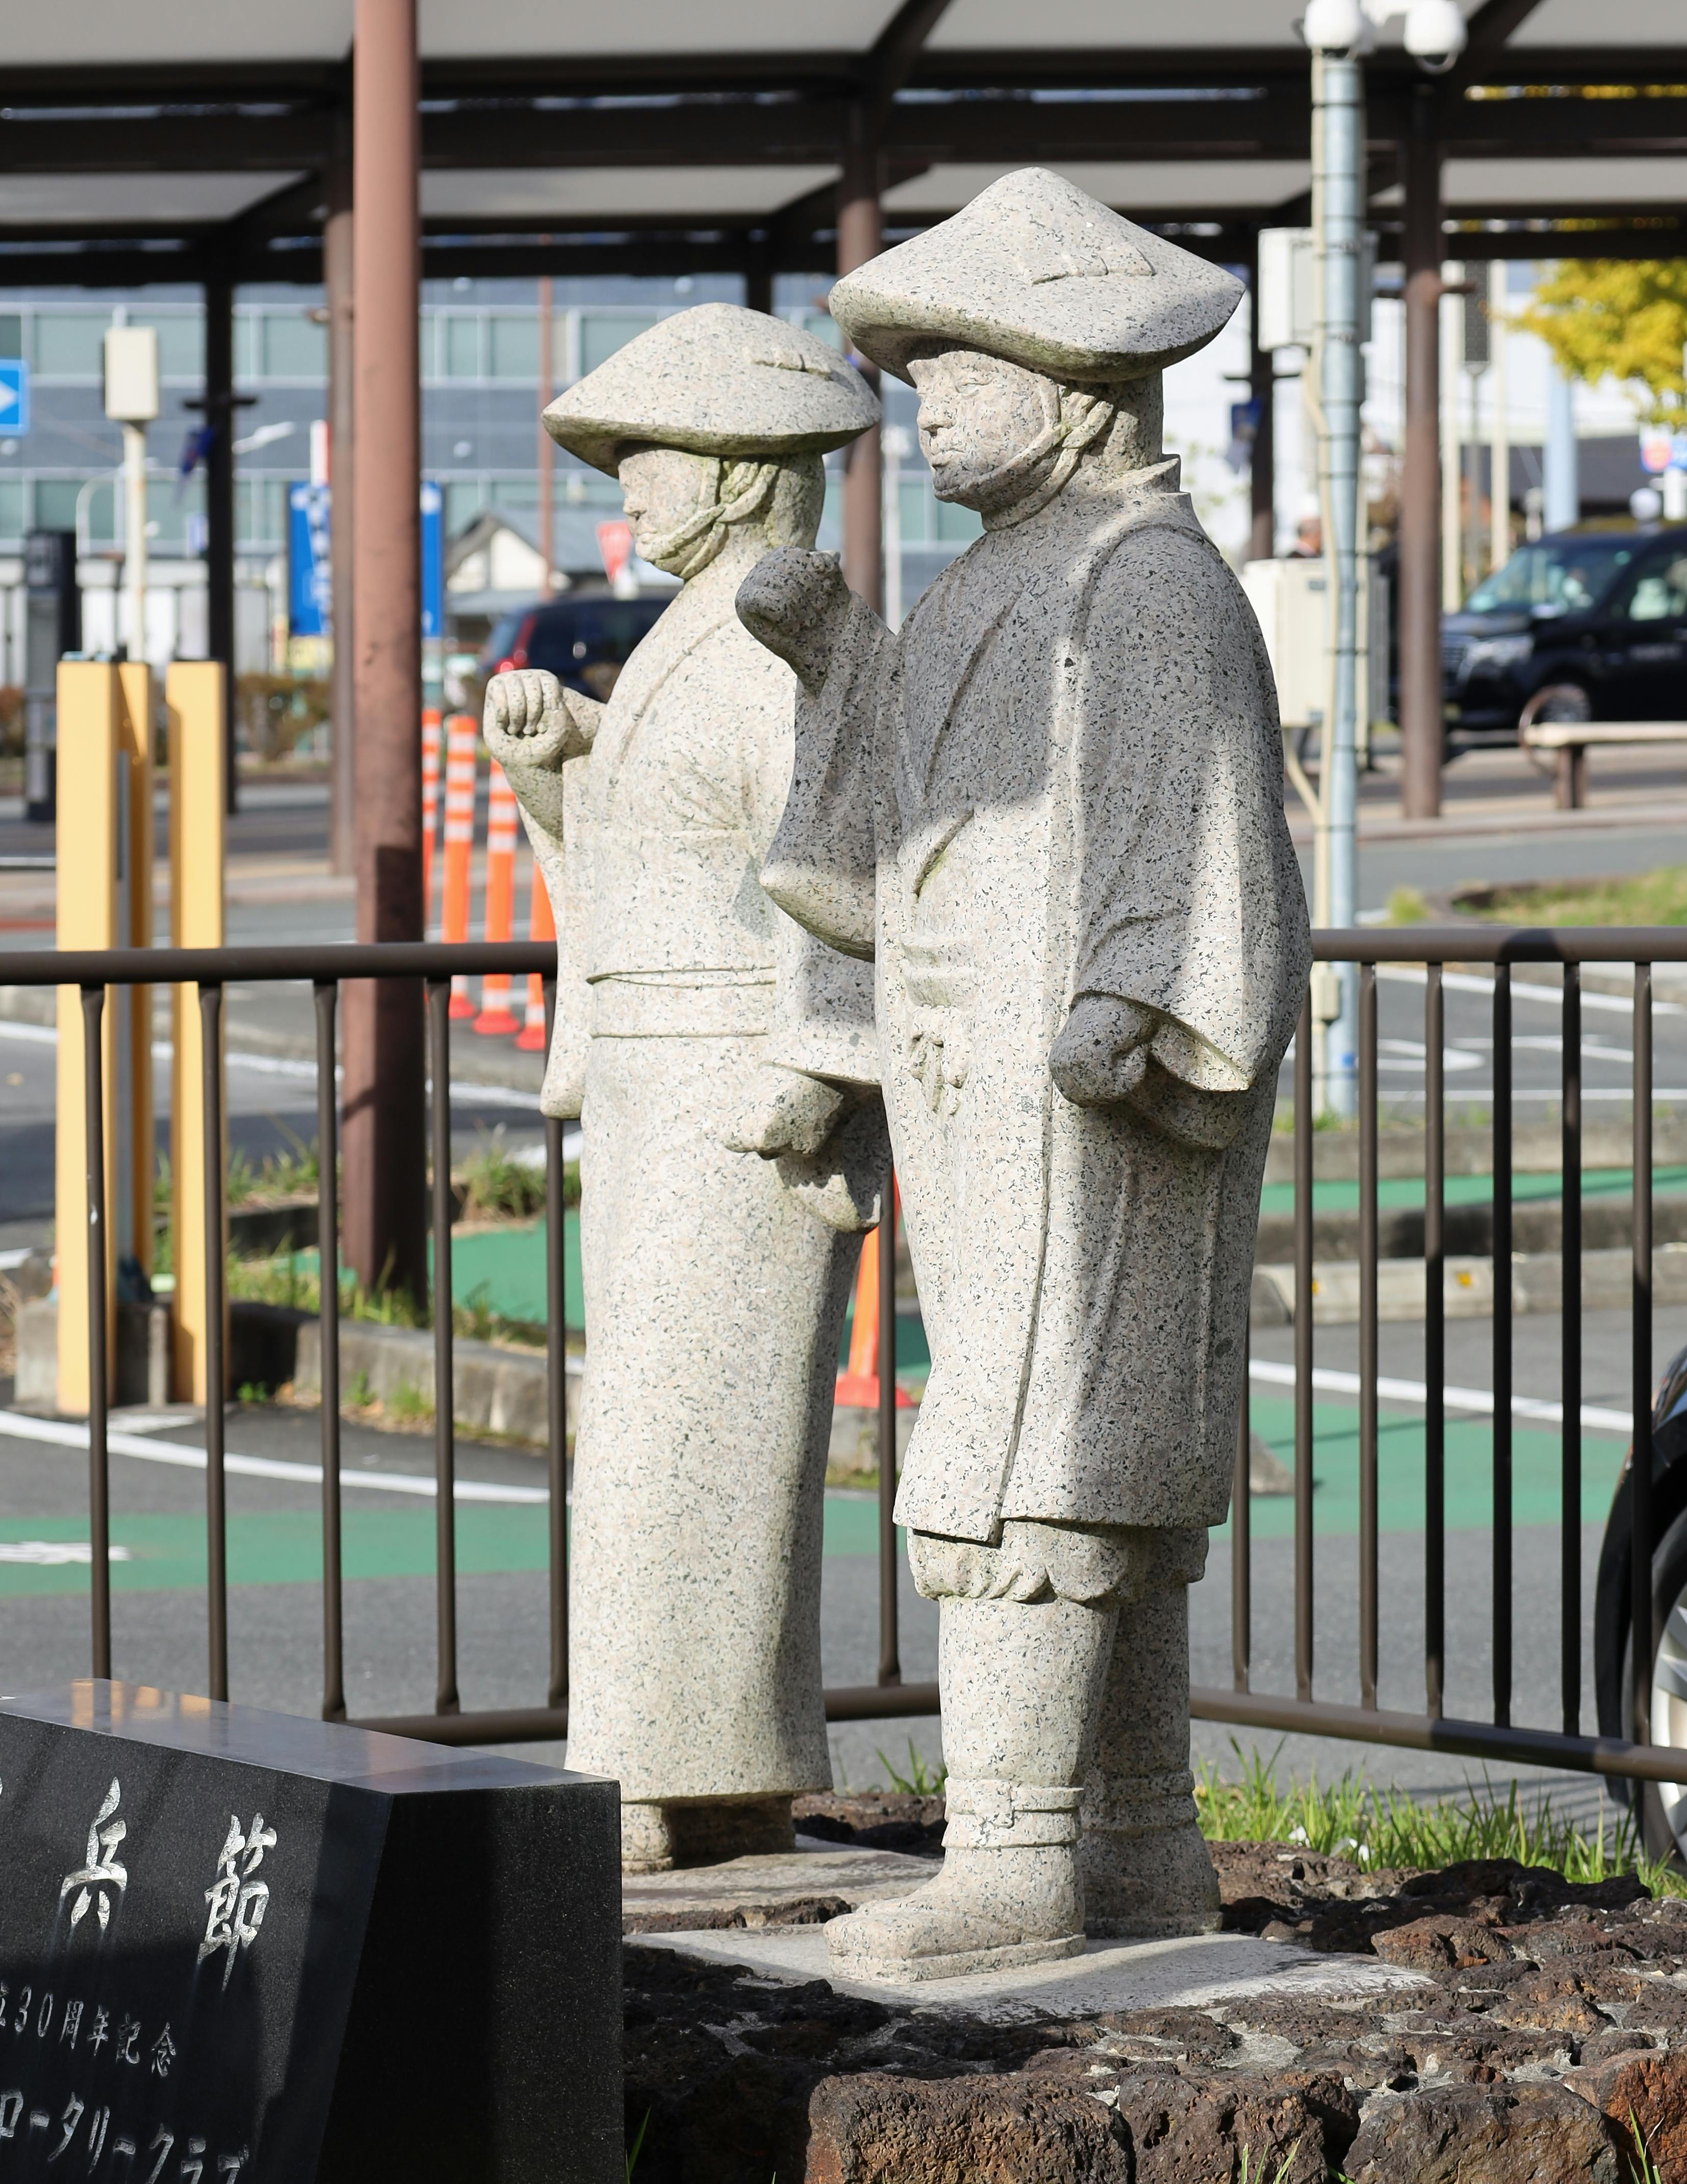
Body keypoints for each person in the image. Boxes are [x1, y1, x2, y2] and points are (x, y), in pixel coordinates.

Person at [736, 169, 1310, 1978]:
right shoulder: (1004, 580)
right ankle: (1134, 1846)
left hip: (1084, 1095)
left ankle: (1019, 1855)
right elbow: (884, 852)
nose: (929, 420)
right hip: (977, 1090)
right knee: (1067, 1452)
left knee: (1039, 1461)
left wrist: (1140, 1001)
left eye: (959, 381)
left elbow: (1205, 822)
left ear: (1072, 387)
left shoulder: (1148, 583)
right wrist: (837, 661)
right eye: (915, 390)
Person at [483, 303, 883, 1872]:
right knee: (665, 1430)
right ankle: (701, 1765)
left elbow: (851, 860)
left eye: (649, 462)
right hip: (670, 1080)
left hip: (734, 1077)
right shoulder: (694, 636)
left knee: (689, 1437)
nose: (628, 492)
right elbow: (676, 846)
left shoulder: (787, 642)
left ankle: (665, 1772)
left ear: (740, 471)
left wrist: (817, 1056)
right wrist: (560, 759)